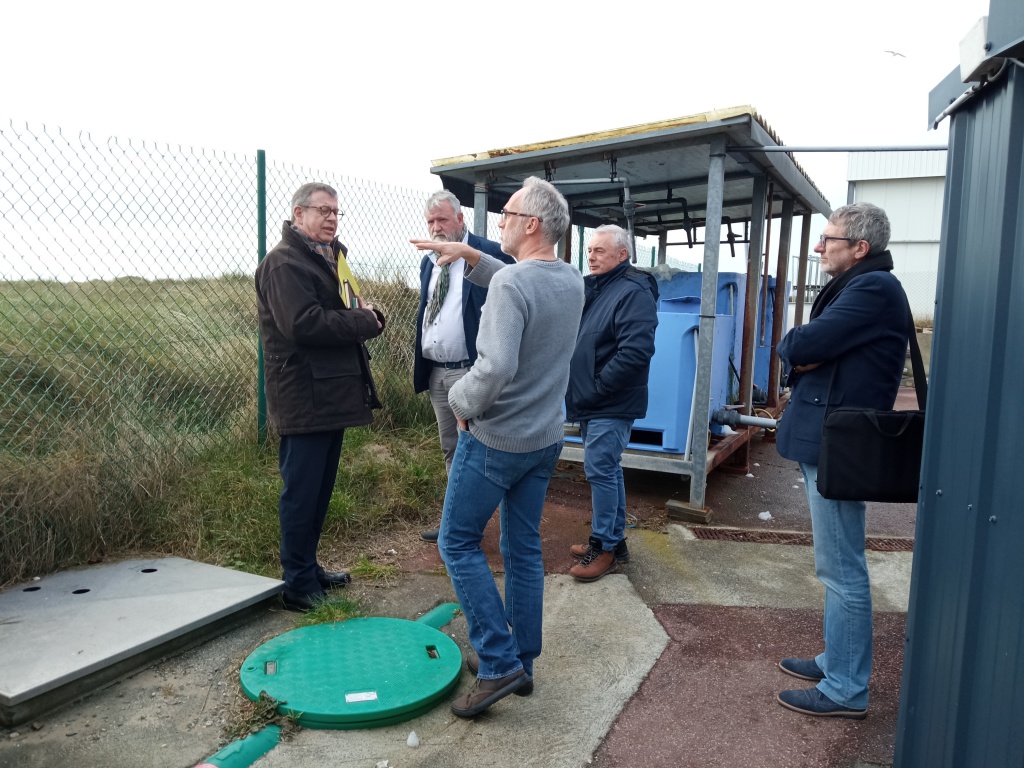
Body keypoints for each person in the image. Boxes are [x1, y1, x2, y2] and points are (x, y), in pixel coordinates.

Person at [411, 177, 584, 718]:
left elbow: (497, 366)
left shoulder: (512, 288)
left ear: (531, 223)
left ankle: (497, 662)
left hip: (495, 439)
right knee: (522, 547)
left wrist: (461, 403)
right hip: (544, 438)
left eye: (507, 213)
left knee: (458, 543)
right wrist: (468, 255)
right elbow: (520, 282)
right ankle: (522, 663)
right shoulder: (571, 278)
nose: (499, 222)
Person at [774, 202, 910, 719]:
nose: (818, 246)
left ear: (859, 247)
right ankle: (838, 659)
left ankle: (846, 688)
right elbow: (810, 350)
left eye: (828, 239)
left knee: (841, 568)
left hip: (839, 444)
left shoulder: (872, 289)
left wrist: (803, 349)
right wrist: (808, 351)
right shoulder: (861, 287)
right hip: (832, 439)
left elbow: (803, 343)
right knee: (835, 565)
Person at [255, 182, 385, 612]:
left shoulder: (329, 258)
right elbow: (304, 325)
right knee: (301, 492)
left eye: (336, 212)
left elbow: (342, 308)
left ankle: (309, 569)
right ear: (298, 214)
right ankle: (296, 584)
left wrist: (359, 315)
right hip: (304, 396)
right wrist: (365, 322)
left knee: (320, 490)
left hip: (330, 394)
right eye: (322, 211)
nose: (331, 218)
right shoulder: (284, 263)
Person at [414, 190, 513, 543]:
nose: (436, 228)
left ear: (460, 219)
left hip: (473, 372)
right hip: (438, 371)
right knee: (451, 447)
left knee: (482, 449)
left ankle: (481, 527)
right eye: (430, 222)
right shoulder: (429, 260)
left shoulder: (492, 253)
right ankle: (456, 524)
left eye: (442, 220)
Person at [565, 224, 658, 583]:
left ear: (623, 254)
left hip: (610, 400)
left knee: (599, 469)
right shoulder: (601, 287)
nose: (591, 256)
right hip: (595, 399)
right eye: (590, 250)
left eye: (600, 251)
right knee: (607, 468)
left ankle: (603, 548)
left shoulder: (632, 291)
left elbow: (636, 351)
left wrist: (597, 387)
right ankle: (613, 542)